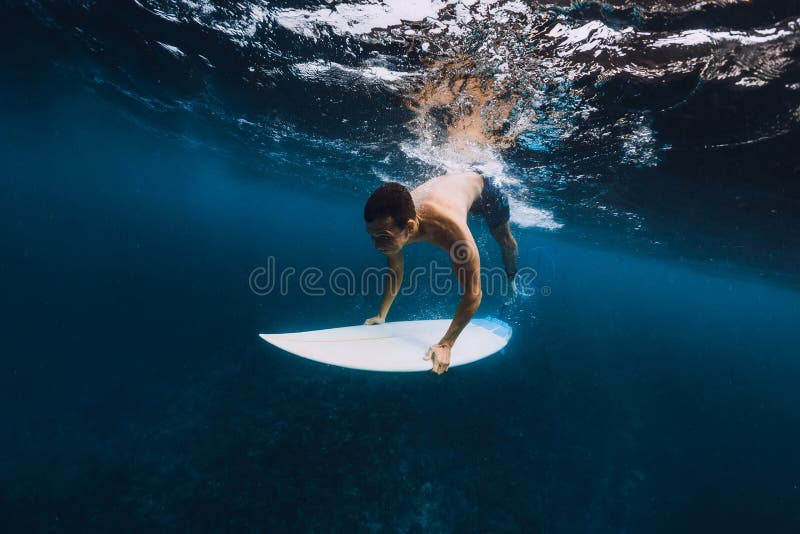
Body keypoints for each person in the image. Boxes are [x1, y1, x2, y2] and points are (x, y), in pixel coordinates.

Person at [363, 170, 518, 374]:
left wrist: (446, 344)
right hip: (450, 190)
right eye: (372, 237)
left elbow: (473, 294)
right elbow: (396, 268)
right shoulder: (393, 229)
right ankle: (464, 204)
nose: (377, 246)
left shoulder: (451, 233)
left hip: (486, 190)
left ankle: (511, 278)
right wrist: (382, 314)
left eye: (382, 238)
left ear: (410, 227)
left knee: (505, 241)